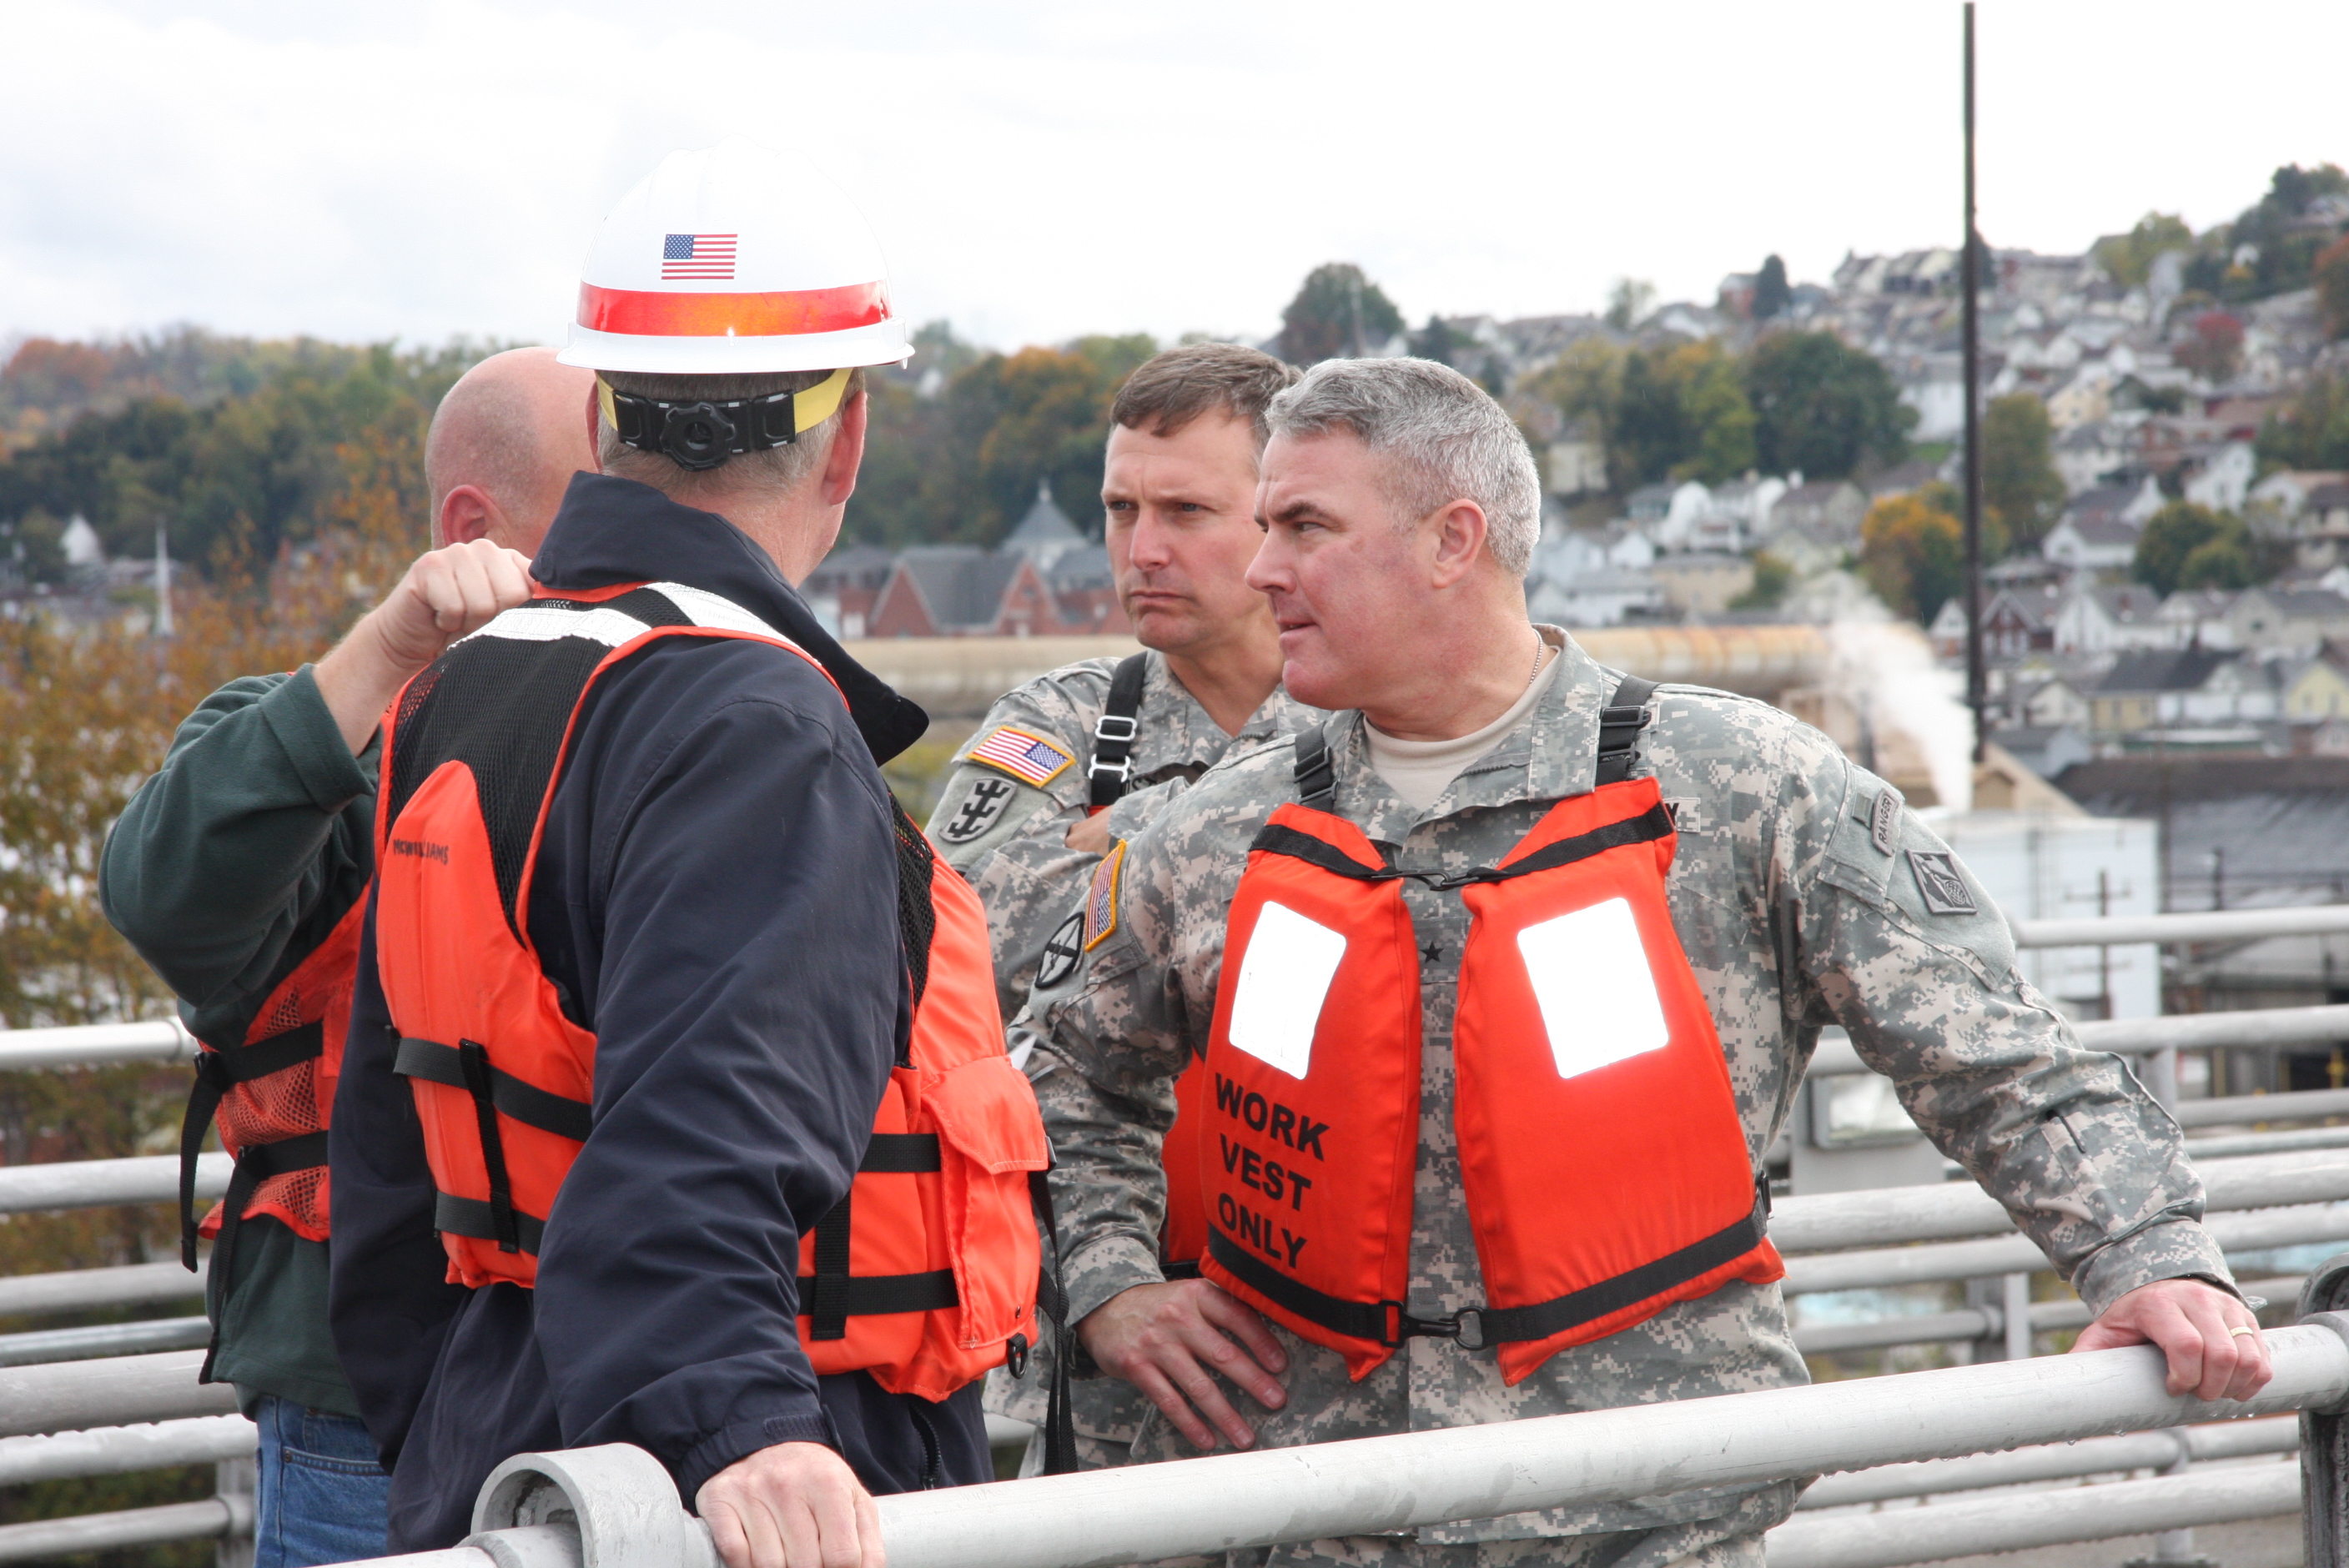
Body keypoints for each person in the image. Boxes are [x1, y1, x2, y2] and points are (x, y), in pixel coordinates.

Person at [1016, 356, 2270, 1568]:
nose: (1262, 567)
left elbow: (1999, 1059)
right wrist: (1111, 1280)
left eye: (1304, 527)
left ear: (1454, 541)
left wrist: (2148, 1258)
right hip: (1317, 1509)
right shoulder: (1220, 832)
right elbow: (1062, 1071)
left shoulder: (1744, 790)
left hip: (1647, 1512)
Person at [329, 142, 1050, 1567]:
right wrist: (740, 1430)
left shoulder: (467, 681)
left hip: (503, 1439)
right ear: (847, 440)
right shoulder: (755, 724)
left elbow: (387, 1154)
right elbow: (709, 1133)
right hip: (748, 1479)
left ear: (603, 418)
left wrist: (443, 1439)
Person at [99, 345, 595, 1568]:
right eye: (608, 499)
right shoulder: (318, 751)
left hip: (608, 1374)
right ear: (472, 530)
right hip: (365, 1405)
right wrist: (393, 647)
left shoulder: (649, 738)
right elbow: (163, 895)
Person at [927, 343, 1316, 1473]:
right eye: (1120, 508)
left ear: (1281, 516)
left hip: (1354, 1328)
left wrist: (1131, 843)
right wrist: (1247, 853)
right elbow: (983, 956)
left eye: (1187, 510)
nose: (1142, 549)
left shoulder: (1378, 722)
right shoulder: (1059, 726)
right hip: (1118, 1350)